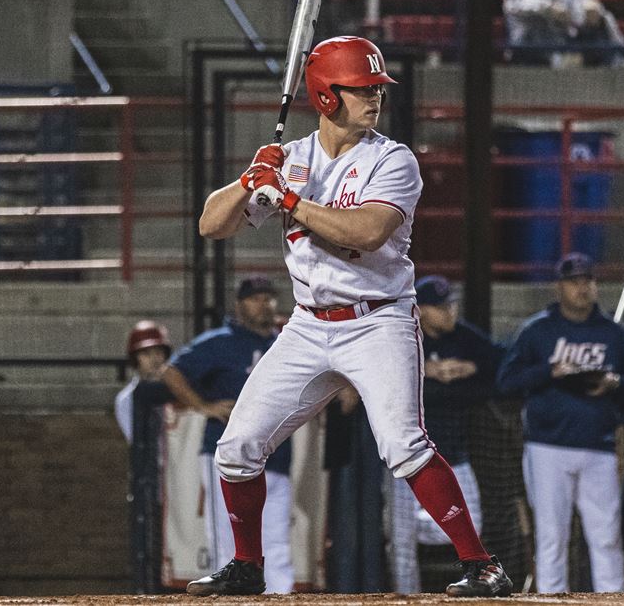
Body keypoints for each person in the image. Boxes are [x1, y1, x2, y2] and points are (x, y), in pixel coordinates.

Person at [190, 35, 512, 597]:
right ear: (325, 95)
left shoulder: (393, 159)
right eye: (361, 89)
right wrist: (249, 181)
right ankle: (246, 565)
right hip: (309, 325)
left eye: (376, 88)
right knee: (237, 448)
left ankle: (482, 564)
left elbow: (365, 233)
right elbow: (210, 226)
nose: (374, 98)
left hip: (378, 321)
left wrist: (287, 200)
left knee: (403, 445)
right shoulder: (292, 160)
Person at [497, 253, 624, 593]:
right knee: (551, 538)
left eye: (588, 281)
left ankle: (612, 602)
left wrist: (615, 383)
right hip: (547, 446)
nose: (582, 288)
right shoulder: (538, 330)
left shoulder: (613, 334)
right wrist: (549, 371)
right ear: (559, 286)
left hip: (598, 445)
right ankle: (551, 600)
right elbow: (506, 381)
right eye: (574, 281)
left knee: (606, 538)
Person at [161, 276, 295, 594]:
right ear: (239, 305)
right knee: (228, 543)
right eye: (255, 298)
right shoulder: (222, 340)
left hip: (277, 455)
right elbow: (172, 371)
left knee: (276, 542)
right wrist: (204, 406)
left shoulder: (286, 341)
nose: (264, 303)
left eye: (268, 297)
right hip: (225, 455)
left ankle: (282, 599)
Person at [388, 275, 503, 593]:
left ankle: (473, 582)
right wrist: (425, 369)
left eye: (451, 305)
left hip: (455, 452)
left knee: (470, 529)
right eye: (439, 307)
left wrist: (472, 369)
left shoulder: (463, 338)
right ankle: (406, 598)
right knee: (401, 544)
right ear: (420, 309)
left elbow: (502, 361)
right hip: (407, 458)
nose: (449, 312)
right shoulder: (404, 337)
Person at [503, 0, 624, 67]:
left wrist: (590, 8)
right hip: (529, 47)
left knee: (599, 24)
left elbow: (581, 0)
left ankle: (616, 68)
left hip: (562, 44)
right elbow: (516, 3)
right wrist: (548, 8)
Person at [113, 320, 173, 444]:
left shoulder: (179, 391)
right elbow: (137, 440)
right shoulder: (126, 398)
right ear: (136, 358)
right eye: (146, 354)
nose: (154, 359)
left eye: (158, 352)